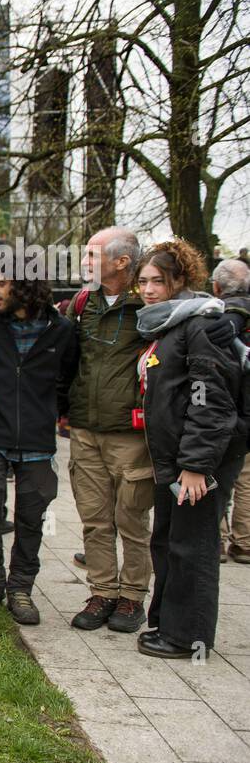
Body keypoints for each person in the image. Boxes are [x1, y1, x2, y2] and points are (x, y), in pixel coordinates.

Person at [134, 240, 246, 657]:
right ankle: (167, 623)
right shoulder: (167, 323)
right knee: (168, 541)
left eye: (157, 281)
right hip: (175, 459)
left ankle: (188, 638)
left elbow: (211, 400)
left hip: (201, 461)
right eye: (142, 282)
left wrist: (197, 466)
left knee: (193, 546)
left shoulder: (201, 325)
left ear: (180, 280)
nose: (147, 290)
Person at [0, 265, 79, 624]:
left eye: (1, 283)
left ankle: (21, 588)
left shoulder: (61, 330)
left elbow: (68, 377)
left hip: (37, 438)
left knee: (32, 516)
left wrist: (49, 412)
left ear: (24, 286)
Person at [66, 227, 153, 632]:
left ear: (121, 261)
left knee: (131, 518)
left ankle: (133, 597)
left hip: (129, 434)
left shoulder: (149, 305)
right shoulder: (84, 303)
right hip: (84, 429)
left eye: (91, 255)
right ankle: (102, 591)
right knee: (95, 518)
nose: (85, 262)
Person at [211, 258, 250, 562]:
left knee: (218, 475)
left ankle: (219, 539)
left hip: (223, 412)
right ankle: (245, 541)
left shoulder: (214, 318)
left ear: (215, 286)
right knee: (246, 480)